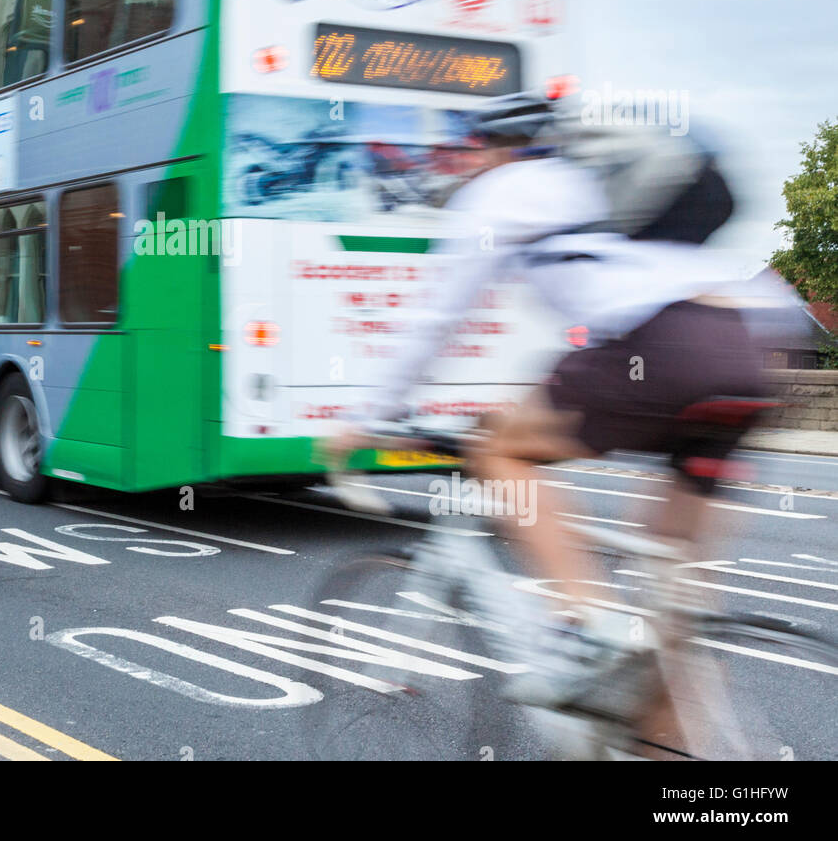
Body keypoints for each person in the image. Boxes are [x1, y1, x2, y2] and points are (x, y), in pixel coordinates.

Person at [323, 92, 772, 701]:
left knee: (499, 452)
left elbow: (435, 318)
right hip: (746, 352)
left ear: (491, 148)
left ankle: (589, 619)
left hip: (662, 347)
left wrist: (362, 421)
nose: (462, 161)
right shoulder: (605, 188)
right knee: (672, 612)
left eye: (468, 148)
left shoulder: (504, 191)